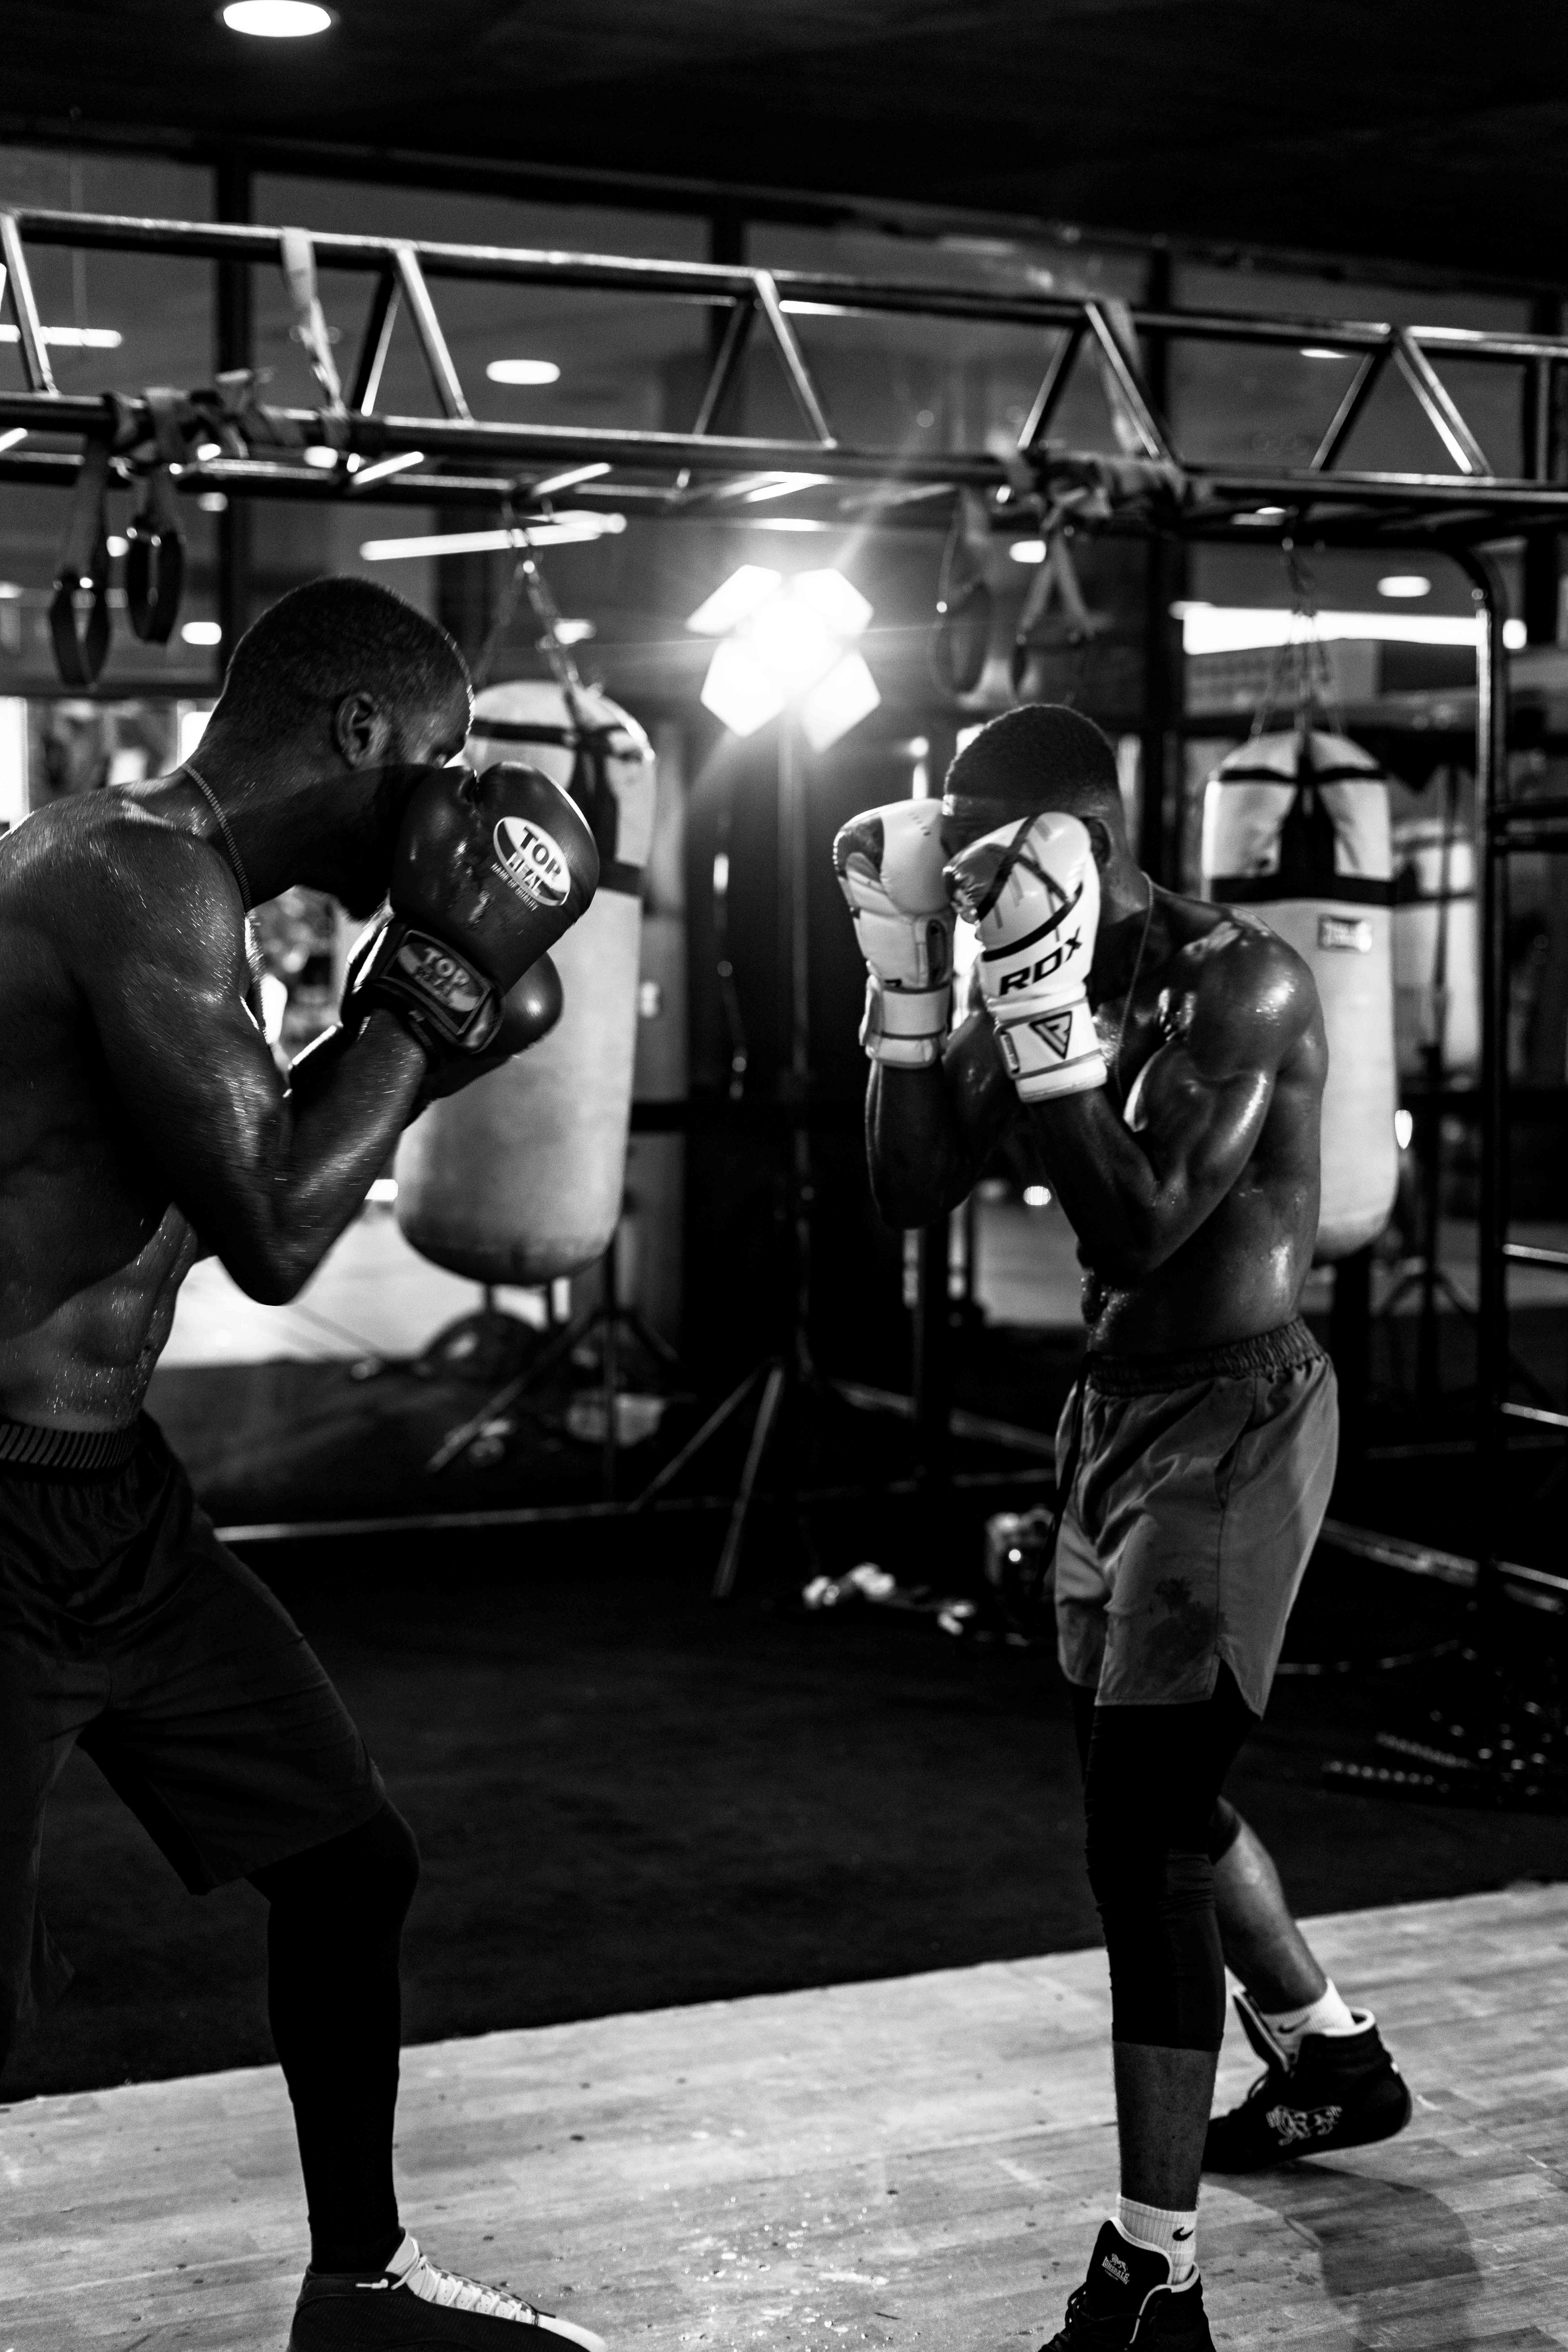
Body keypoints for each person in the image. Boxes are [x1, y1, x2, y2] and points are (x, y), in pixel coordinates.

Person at [0, 576, 607, 2352]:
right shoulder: (126, 876)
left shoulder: (189, 907)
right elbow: (272, 1231)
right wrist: (426, 1004)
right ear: (357, 732)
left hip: (111, 1500)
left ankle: (362, 2291)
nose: (452, 798)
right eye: (440, 755)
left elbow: (221, 1189)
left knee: (348, 1863)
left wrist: (409, 1031)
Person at [836, 703, 1411, 2352]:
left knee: (1140, 1820)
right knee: (1149, 1774)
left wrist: (1032, 1007)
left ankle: (1153, 2274)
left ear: (1079, 837)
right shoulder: (1041, 962)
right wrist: (904, 993)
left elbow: (1147, 1225)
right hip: (1110, 1424)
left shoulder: (1242, 982)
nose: (971, 880)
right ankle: (1326, 2050)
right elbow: (906, 1183)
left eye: (995, 852)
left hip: (1238, 1413)